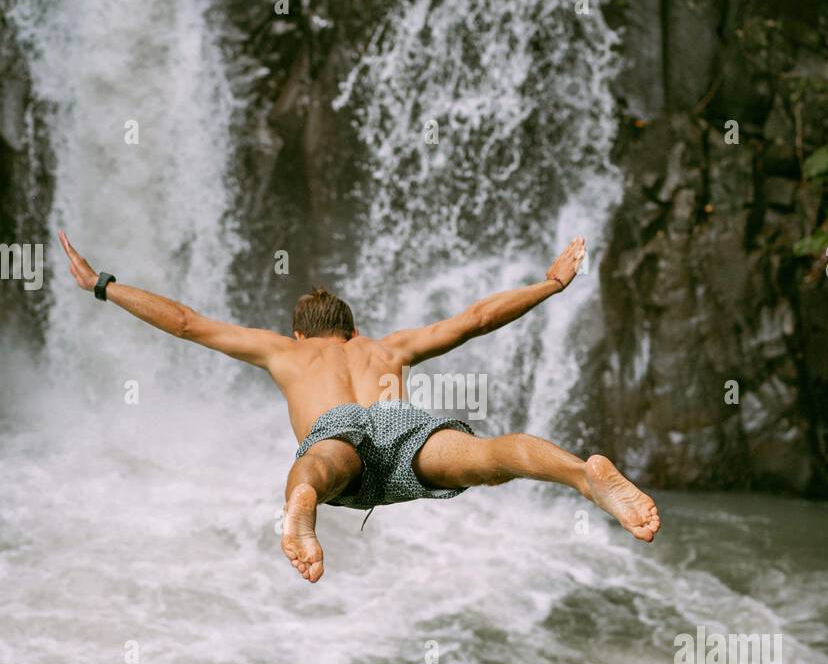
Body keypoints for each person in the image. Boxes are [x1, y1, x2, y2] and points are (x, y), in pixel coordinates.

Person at [59, 231, 660, 583]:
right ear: (352, 333)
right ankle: (582, 475)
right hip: (404, 425)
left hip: (338, 432)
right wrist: (551, 283)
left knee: (322, 462)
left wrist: (104, 285)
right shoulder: (386, 349)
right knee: (489, 456)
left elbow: (187, 323)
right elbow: (476, 319)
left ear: (300, 336)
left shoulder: (284, 354)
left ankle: (302, 506)